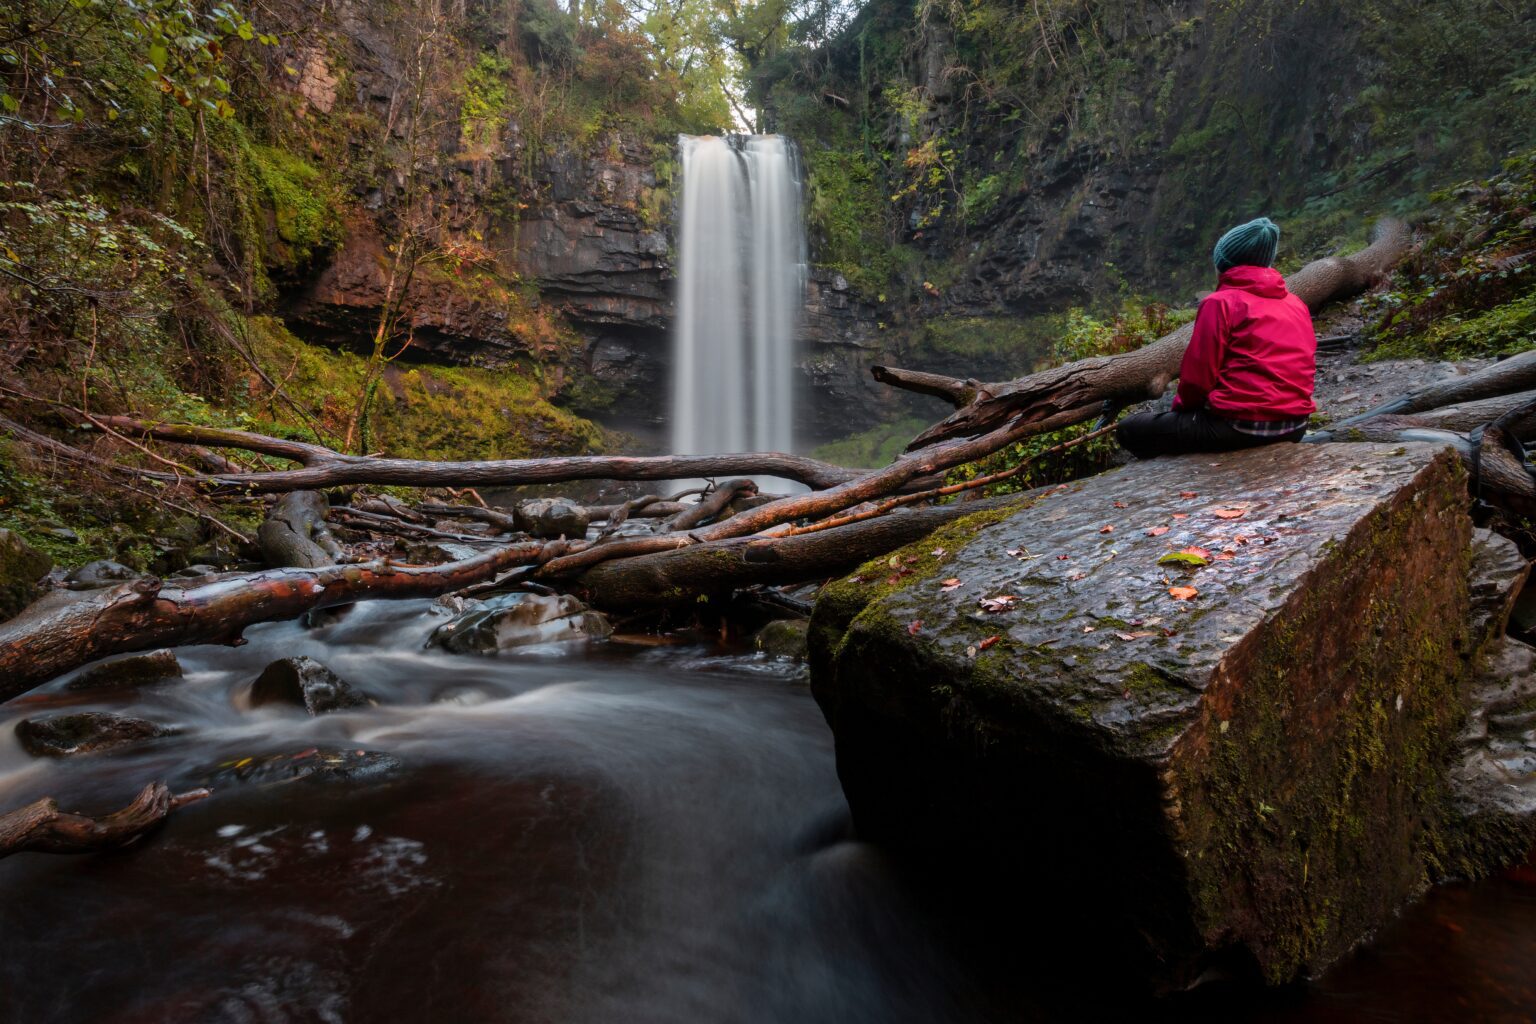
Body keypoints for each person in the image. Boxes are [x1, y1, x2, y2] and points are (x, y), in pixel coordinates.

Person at [1116, 216, 1316, 459]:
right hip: (1295, 426)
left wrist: (1182, 411)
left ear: (1225, 263)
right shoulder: (1295, 303)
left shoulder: (1220, 303)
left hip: (1238, 428)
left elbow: (1198, 379)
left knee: (1129, 429)